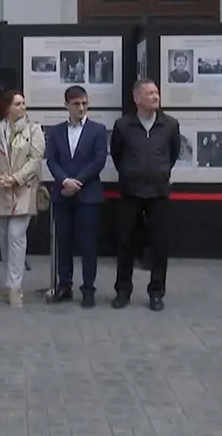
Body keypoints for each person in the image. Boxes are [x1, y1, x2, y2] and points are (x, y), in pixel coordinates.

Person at [111, 79, 181, 312]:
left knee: (160, 244)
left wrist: (159, 172)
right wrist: (132, 172)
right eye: (149, 93)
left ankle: (156, 292)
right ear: (136, 98)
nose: (155, 96)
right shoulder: (123, 125)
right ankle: (122, 291)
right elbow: (117, 155)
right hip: (131, 191)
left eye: (156, 92)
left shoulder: (170, 125)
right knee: (125, 242)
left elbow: (173, 154)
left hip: (159, 192)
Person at [45, 85, 108, 308]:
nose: (81, 108)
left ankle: (88, 288)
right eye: (76, 104)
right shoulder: (55, 131)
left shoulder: (98, 130)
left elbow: (98, 161)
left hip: (88, 195)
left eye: (84, 103)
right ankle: (64, 285)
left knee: (88, 244)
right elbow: (51, 160)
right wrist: (65, 181)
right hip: (62, 195)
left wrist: (77, 182)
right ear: (66, 106)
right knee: (64, 243)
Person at [0, 90, 45, 308]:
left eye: (24, 103)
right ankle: (9, 283)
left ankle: (16, 287)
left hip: (23, 189)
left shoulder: (34, 129)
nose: (22, 107)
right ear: (7, 106)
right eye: (18, 103)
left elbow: (36, 160)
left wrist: (16, 178)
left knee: (16, 235)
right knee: (3, 238)